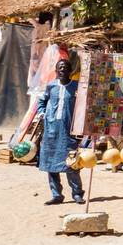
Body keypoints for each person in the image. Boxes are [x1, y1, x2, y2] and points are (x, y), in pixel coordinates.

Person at [37, 57, 83, 205]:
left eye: (65, 67)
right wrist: (43, 113)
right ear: (56, 71)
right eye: (60, 68)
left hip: (68, 131)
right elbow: (42, 101)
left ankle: (77, 194)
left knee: (72, 163)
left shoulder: (76, 87)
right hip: (51, 131)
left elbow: (82, 106)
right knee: (51, 164)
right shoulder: (51, 86)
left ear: (70, 71)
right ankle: (57, 195)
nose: (62, 70)